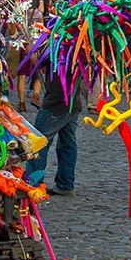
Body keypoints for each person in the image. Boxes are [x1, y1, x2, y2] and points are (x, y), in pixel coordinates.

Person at [24, 68, 84, 196]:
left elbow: (36, 61)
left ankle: (33, 184)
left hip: (55, 104)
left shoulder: (57, 55)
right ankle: (65, 184)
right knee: (67, 145)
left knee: (38, 144)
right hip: (73, 103)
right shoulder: (81, 56)